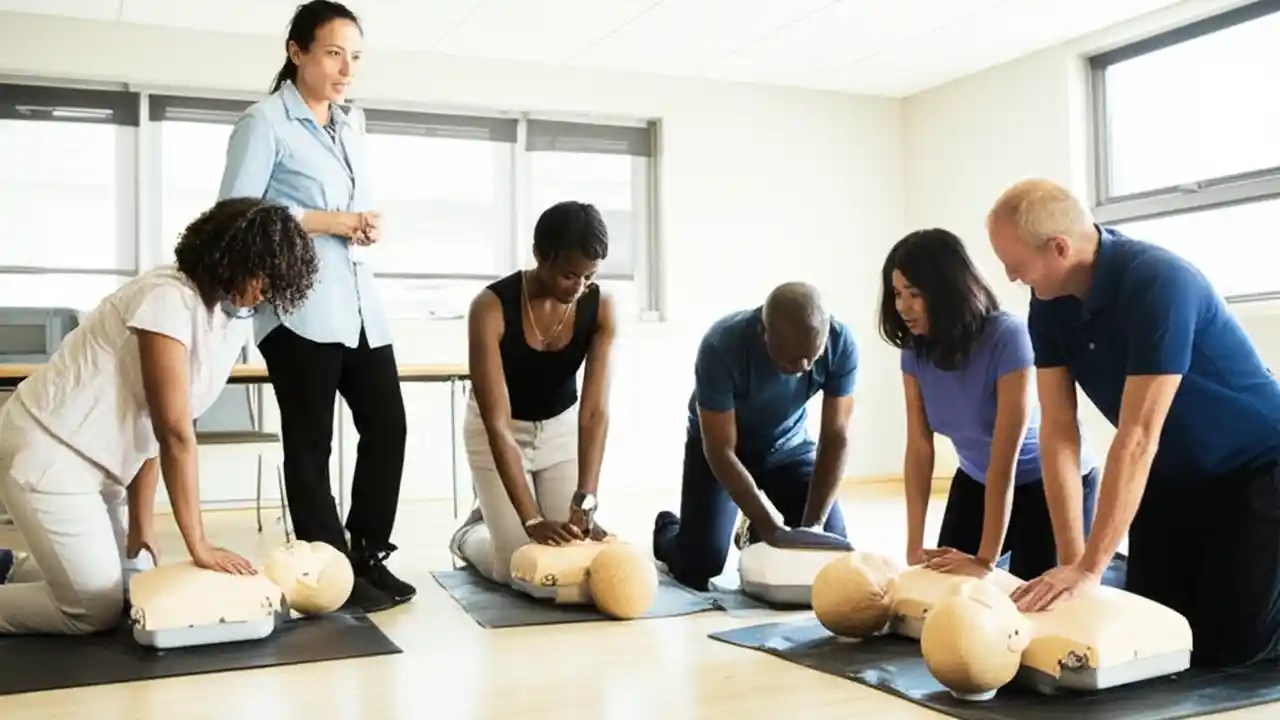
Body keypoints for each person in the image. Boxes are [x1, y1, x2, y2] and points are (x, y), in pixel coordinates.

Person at [987, 178, 1280, 668]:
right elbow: (1060, 432)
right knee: (1155, 627)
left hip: (1258, 465)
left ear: (1059, 248)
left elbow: (1138, 435)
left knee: (1231, 648)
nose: (1010, 276)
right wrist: (1073, 563)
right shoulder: (1049, 302)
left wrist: (1091, 567)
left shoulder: (1159, 283)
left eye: (1013, 262)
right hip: (1175, 471)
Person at [0, 197, 319, 635]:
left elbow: (150, 424)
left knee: (130, 581)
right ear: (234, 259)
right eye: (263, 276)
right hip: (51, 451)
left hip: (101, 464)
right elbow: (173, 431)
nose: (266, 292)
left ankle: (9, 567)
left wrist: (143, 527)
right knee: (93, 610)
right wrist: (198, 545)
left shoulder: (226, 318)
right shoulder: (167, 298)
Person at [218, 0, 414, 613]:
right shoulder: (265, 123)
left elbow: (350, 205)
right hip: (297, 308)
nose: (346, 68)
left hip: (358, 306)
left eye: (354, 57)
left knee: (388, 427)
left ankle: (367, 552)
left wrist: (362, 228)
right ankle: (328, 570)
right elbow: (237, 213)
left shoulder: (351, 125)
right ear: (296, 52)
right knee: (310, 446)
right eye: (333, 53)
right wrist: (334, 222)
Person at [878, 228, 1099, 581]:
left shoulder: (1008, 337)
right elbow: (919, 447)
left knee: (1033, 599)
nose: (903, 307)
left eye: (915, 294)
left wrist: (985, 560)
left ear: (947, 292)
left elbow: (1004, 457)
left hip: (1047, 482)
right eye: (897, 294)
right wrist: (914, 545)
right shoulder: (914, 350)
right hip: (976, 478)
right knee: (945, 584)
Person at [447, 201, 616, 585]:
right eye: (570, 275)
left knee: (572, 552)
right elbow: (496, 424)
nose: (579, 288)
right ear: (541, 254)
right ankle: (470, 533)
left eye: (589, 277)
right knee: (517, 566)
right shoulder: (489, 307)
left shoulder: (601, 307)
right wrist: (531, 518)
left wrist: (585, 499)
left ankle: (505, 515)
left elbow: (594, 413)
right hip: (499, 434)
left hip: (559, 433)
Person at [654, 283, 857, 591]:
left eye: (810, 358)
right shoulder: (721, 347)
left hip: (787, 449)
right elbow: (721, 451)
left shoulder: (841, 344)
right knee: (700, 563)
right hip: (720, 452)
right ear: (764, 335)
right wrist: (771, 527)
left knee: (829, 546)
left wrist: (813, 526)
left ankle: (752, 531)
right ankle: (669, 528)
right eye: (789, 360)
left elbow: (836, 436)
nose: (803, 368)